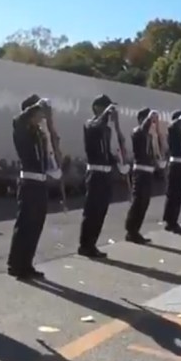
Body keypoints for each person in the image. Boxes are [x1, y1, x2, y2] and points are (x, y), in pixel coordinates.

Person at [7, 95, 59, 279]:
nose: (41, 117)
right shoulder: (21, 129)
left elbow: (53, 146)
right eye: (38, 113)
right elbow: (18, 119)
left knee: (36, 225)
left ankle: (26, 263)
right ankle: (15, 265)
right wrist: (36, 106)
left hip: (40, 181)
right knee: (25, 225)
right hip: (28, 181)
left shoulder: (39, 133)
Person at [78, 95, 125, 259]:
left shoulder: (107, 129)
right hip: (95, 173)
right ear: (97, 107)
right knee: (91, 211)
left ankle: (92, 244)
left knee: (101, 211)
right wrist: (106, 114)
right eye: (105, 107)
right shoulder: (91, 124)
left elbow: (107, 151)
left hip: (105, 174)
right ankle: (85, 245)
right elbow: (96, 127)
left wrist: (117, 162)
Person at [125, 108, 160, 244]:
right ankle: (131, 230)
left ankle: (136, 230)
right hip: (140, 170)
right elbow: (143, 129)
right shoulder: (137, 132)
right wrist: (149, 119)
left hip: (148, 171)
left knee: (144, 202)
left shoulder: (150, 136)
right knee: (138, 201)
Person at [161, 110, 181, 234]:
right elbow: (171, 126)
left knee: (178, 194)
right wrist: (180, 119)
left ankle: (173, 220)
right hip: (175, 164)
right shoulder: (173, 130)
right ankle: (170, 221)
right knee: (173, 194)